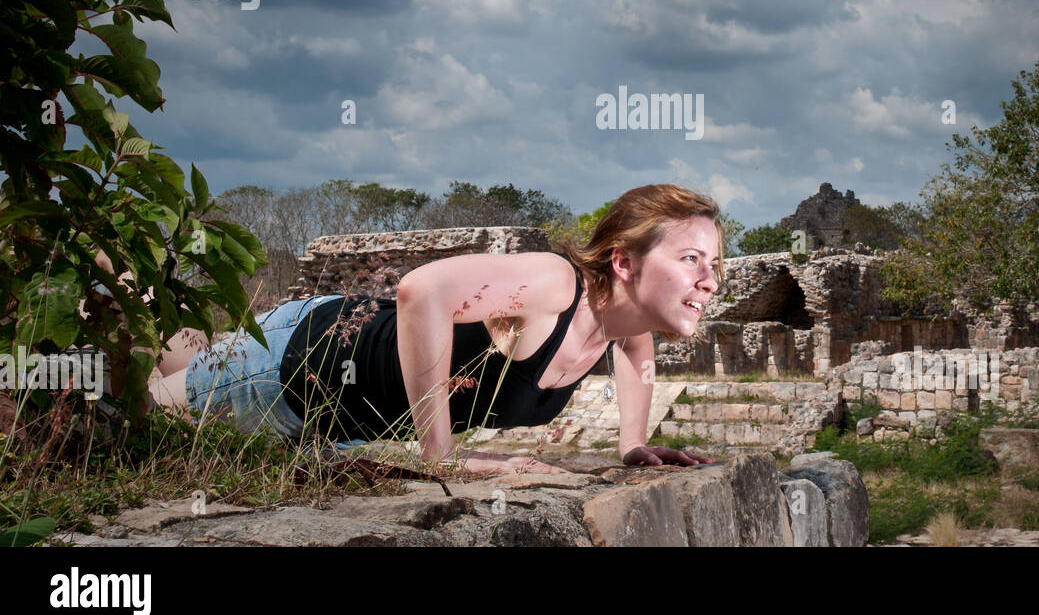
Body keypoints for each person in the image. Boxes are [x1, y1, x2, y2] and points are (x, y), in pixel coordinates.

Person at [149, 184, 723, 475]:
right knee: (140, 413)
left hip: (332, 419)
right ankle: (129, 289)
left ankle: (156, 305)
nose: (710, 281)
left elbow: (635, 344)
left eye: (715, 265)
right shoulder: (556, 285)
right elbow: (421, 290)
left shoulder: (620, 323)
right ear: (623, 262)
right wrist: (441, 456)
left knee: (194, 360)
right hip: (294, 371)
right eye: (692, 259)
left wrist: (632, 444)